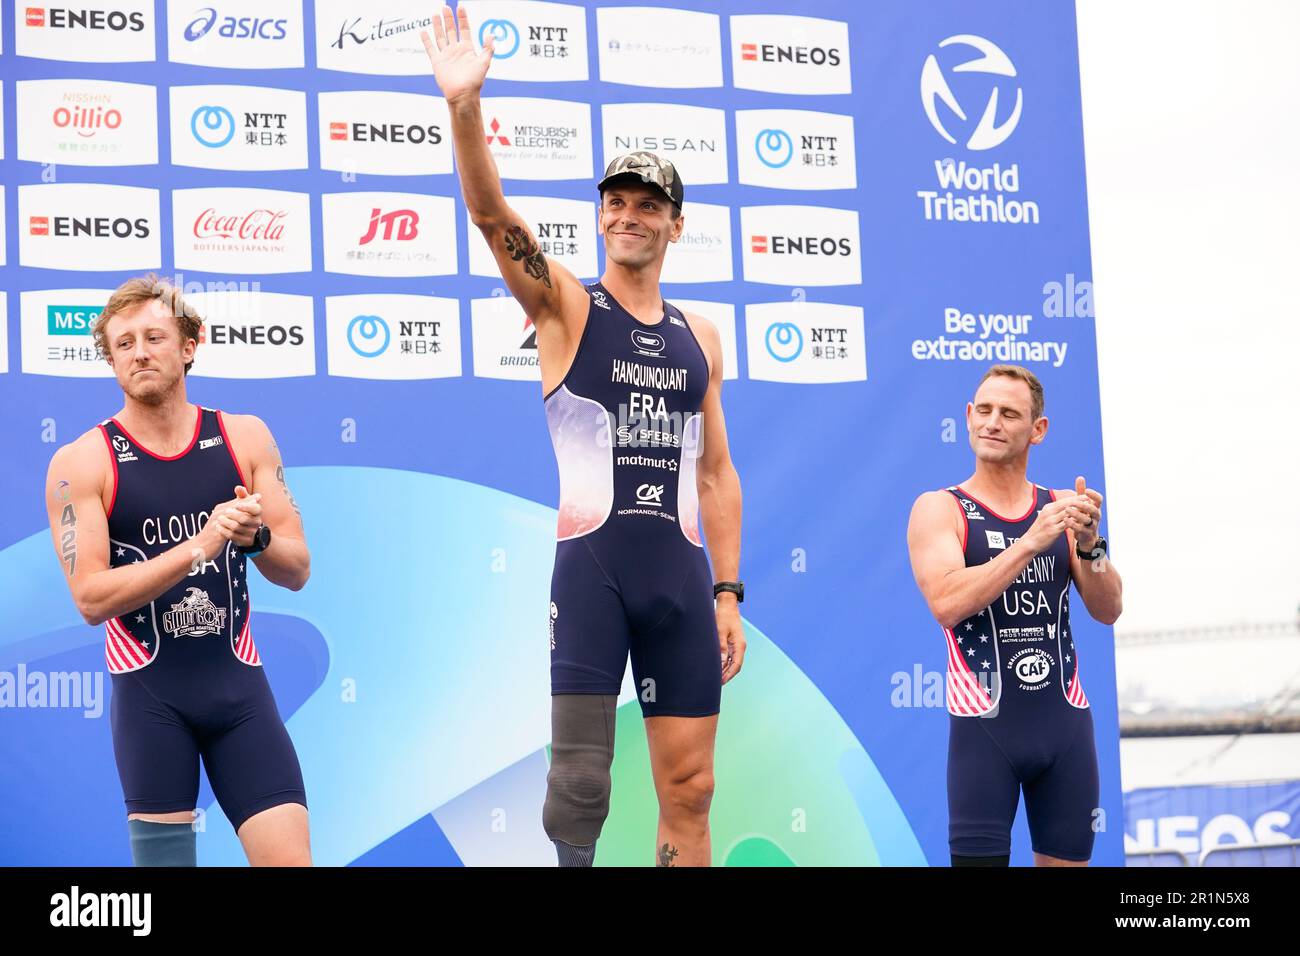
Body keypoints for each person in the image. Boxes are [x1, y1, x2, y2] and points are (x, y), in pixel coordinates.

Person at [422, 5, 745, 867]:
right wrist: (463, 106)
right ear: (600, 216)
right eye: (617, 202)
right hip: (595, 570)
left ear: (676, 224)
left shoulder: (700, 336)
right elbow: (492, 215)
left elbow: (715, 474)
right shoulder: (565, 306)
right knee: (581, 786)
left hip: (680, 579)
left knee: (692, 789)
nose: (630, 214)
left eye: (650, 204)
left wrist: (727, 592)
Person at [44, 275, 313, 866]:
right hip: (151, 703)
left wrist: (256, 536)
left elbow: (296, 570)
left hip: (240, 696)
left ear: (189, 345)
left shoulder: (244, 437)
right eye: (123, 343)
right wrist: (199, 546)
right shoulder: (82, 462)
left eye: (154, 337)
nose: (139, 352)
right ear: (111, 361)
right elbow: (90, 599)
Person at [906, 364, 1123, 866]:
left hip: (1065, 729)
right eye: (983, 410)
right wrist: (1029, 543)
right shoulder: (941, 508)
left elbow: (1109, 608)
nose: (992, 422)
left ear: (1037, 429)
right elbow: (947, 602)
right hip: (985, 733)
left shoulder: (1061, 509)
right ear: (967, 416)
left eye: (1008, 413)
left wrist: (1090, 546)